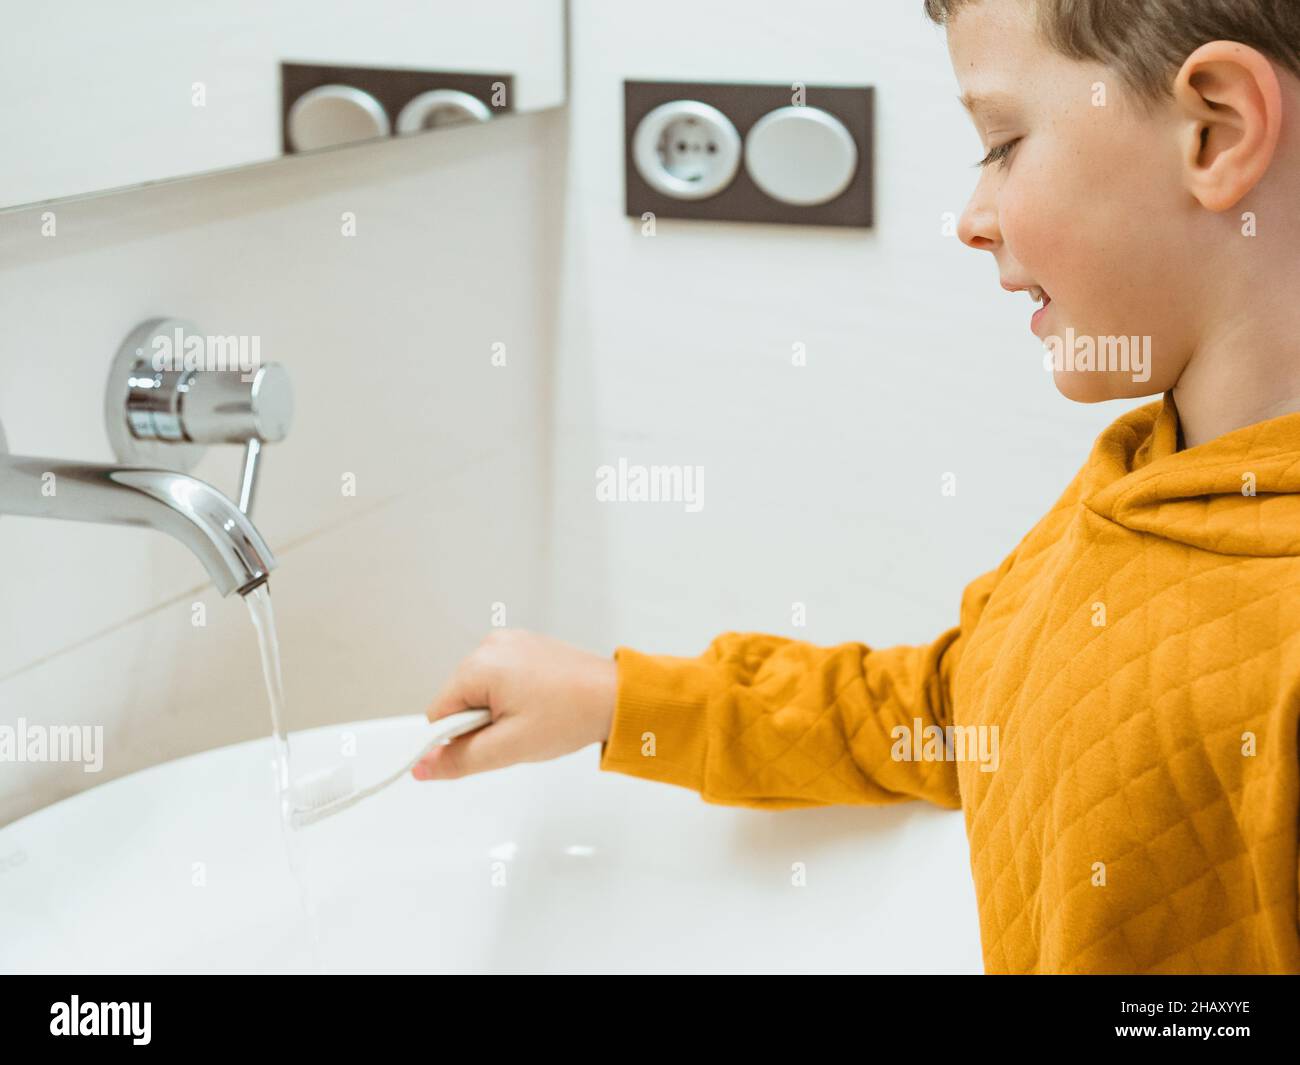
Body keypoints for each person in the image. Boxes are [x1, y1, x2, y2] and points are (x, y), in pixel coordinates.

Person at [414, 0, 1300, 974]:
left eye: (1002, 143)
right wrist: (626, 703)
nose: (971, 220)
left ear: (1214, 129)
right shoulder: (1143, 480)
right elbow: (959, 715)